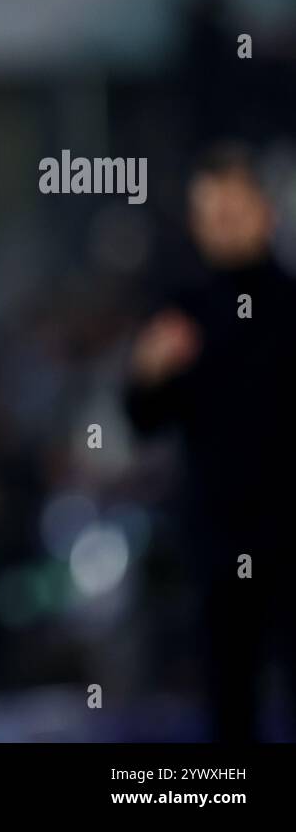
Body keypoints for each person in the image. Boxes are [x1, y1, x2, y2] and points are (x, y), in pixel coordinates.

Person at [126, 142, 296, 741]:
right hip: (218, 540)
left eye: (233, 210)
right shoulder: (184, 311)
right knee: (230, 702)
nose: (221, 225)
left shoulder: (288, 303)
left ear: (263, 211)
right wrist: (147, 373)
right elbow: (143, 419)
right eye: (210, 215)